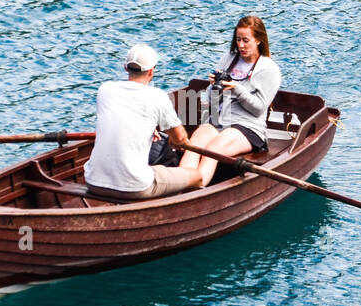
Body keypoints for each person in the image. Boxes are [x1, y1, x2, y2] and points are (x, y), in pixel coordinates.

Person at [83, 44, 203, 200]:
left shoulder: (105, 89)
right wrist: (177, 140)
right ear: (152, 71)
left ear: (126, 68)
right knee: (197, 176)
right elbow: (180, 139)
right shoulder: (157, 96)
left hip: (93, 182)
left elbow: (125, 114)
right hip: (135, 187)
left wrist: (150, 127)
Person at [179, 15, 281, 187]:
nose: (241, 45)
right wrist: (213, 87)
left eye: (246, 40)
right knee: (194, 144)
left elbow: (258, 109)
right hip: (220, 120)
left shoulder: (268, 69)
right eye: (238, 40)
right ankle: (178, 185)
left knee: (213, 149)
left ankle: (194, 192)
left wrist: (236, 89)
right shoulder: (229, 59)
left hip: (248, 126)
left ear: (258, 41)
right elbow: (212, 101)